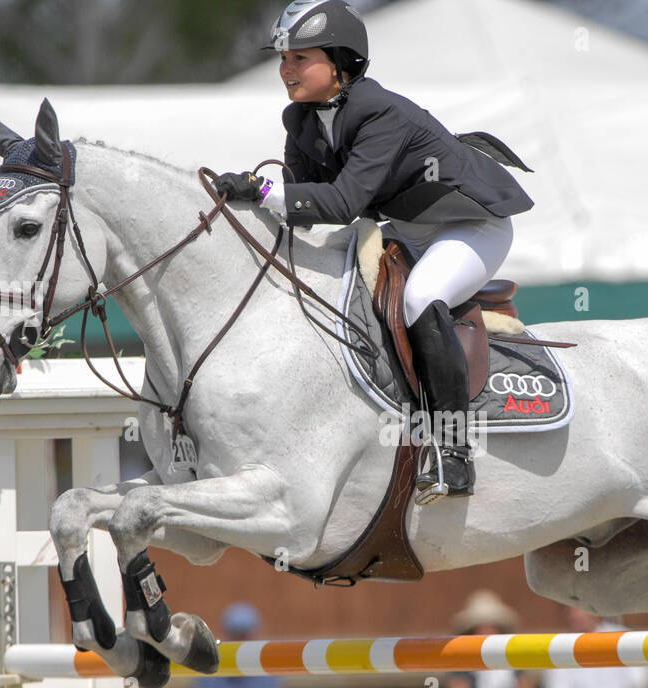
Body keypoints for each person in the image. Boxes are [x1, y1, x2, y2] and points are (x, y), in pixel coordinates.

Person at [212, 0, 535, 500]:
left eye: (300, 58)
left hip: (473, 225)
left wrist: (265, 191)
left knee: (420, 298)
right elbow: (303, 198)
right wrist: (251, 190)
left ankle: (454, 453)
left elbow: (341, 202)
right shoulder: (298, 120)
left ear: (341, 63)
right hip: (408, 228)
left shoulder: (379, 111)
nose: (286, 69)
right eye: (283, 59)